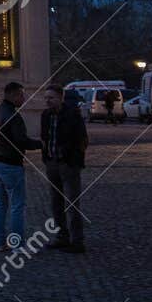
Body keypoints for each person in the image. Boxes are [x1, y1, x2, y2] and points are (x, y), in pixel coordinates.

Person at [0, 81, 41, 251]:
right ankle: (17, 244)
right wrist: (40, 144)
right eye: (21, 95)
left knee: (0, 204)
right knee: (17, 205)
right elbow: (21, 141)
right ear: (12, 95)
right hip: (10, 163)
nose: (23, 98)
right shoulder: (13, 116)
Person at [39, 85, 88, 253]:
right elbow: (44, 137)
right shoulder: (45, 115)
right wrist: (46, 158)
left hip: (68, 164)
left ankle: (77, 241)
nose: (48, 101)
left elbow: (82, 139)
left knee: (72, 203)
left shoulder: (73, 115)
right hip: (52, 162)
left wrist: (74, 159)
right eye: (46, 98)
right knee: (56, 202)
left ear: (61, 98)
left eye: (51, 97)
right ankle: (62, 236)